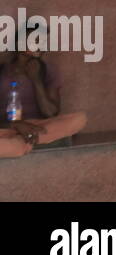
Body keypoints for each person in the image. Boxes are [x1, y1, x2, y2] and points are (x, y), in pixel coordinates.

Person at [0, 24, 88, 158]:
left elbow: (51, 112)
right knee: (16, 146)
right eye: (35, 40)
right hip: (6, 127)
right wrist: (15, 125)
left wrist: (36, 80)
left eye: (43, 41)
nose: (40, 45)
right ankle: (29, 142)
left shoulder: (48, 71)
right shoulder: (2, 70)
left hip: (38, 126)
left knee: (79, 119)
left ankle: (23, 141)